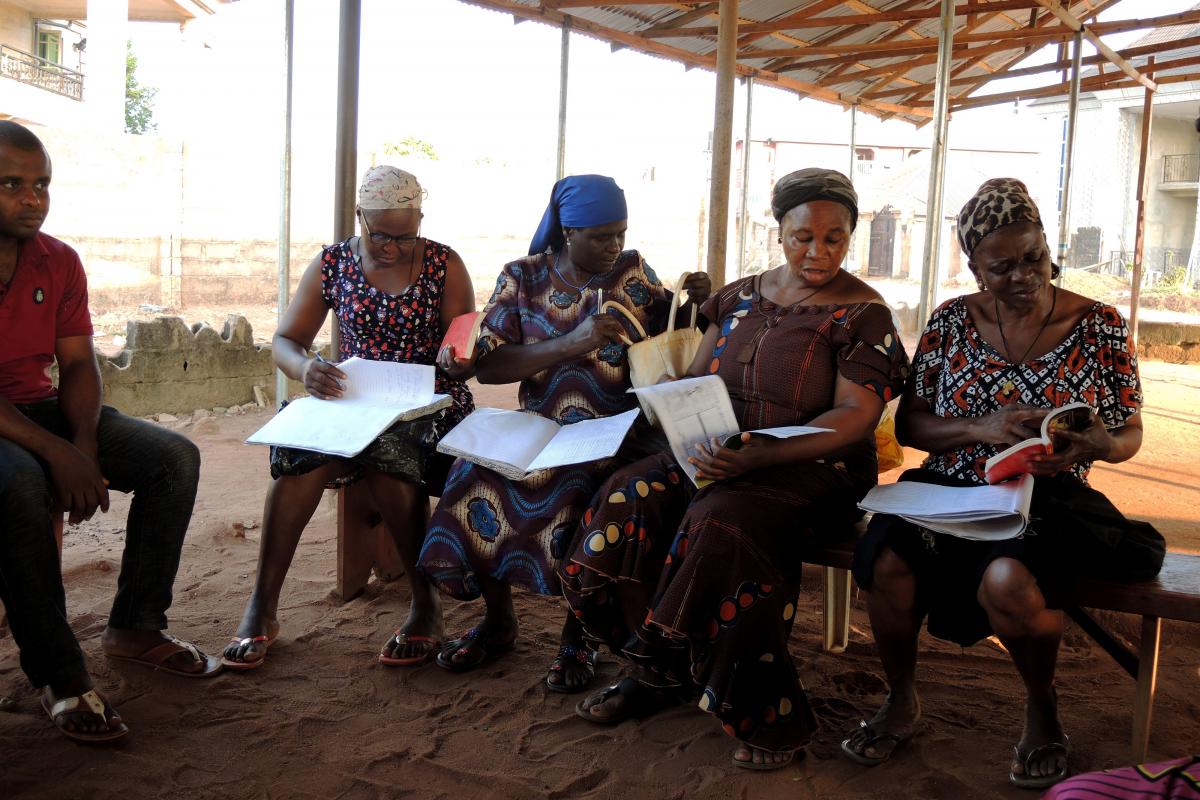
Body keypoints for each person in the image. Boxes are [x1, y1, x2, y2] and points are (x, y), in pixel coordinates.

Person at [567, 168, 909, 770]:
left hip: (815, 464)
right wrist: (676, 388)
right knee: (629, 495)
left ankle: (765, 712)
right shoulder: (737, 297)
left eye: (834, 238)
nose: (818, 250)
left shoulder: (864, 314)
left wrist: (766, 452)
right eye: (803, 237)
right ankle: (654, 668)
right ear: (779, 233)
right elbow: (701, 375)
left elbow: (856, 416)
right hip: (723, 451)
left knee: (724, 520)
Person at [843, 178, 1163, 790]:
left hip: (1050, 499)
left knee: (1007, 580)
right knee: (886, 560)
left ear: (1047, 246)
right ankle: (901, 700)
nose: (1023, 276)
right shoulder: (949, 322)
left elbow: (1128, 432)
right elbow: (911, 425)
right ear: (975, 268)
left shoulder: (1099, 325)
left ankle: (1042, 709)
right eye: (1001, 267)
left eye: (1033, 257)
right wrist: (979, 427)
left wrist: (1100, 445)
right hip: (950, 490)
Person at [417, 174, 711, 692]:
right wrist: (572, 342)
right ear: (568, 231)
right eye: (600, 236)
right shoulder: (522, 278)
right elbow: (490, 366)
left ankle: (579, 637)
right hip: (541, 425)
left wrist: (695, 303)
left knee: (580, 490)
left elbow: (671, 327)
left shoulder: (632, 271)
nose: (614, 245)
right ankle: (499, 620)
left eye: (620, 233)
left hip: (617, 430)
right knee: (470, 476)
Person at [0, 121, 219, 743]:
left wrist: (85, 444)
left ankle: (136, 626)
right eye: (11, 184)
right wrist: (58, 455)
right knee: (20, 484)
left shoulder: (58, 260)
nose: (32, 199)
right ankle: (60, 676)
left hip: (36, 408)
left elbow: (76, 363)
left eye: (41, 184)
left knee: (173, 458)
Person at [221, 166, 475, 670]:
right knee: (298, 455)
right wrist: (306, 369)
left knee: (389, 453)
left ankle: (425, 604)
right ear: (360, 217)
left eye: (405, 237)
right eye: (380, 235)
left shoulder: (445, 264)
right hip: (354, 398)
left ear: (419, 223)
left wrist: (458, 360)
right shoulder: (332, 263)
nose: (392, 247)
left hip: (430, 400)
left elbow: (464, 348)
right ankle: (262, 607)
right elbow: (285, 341)